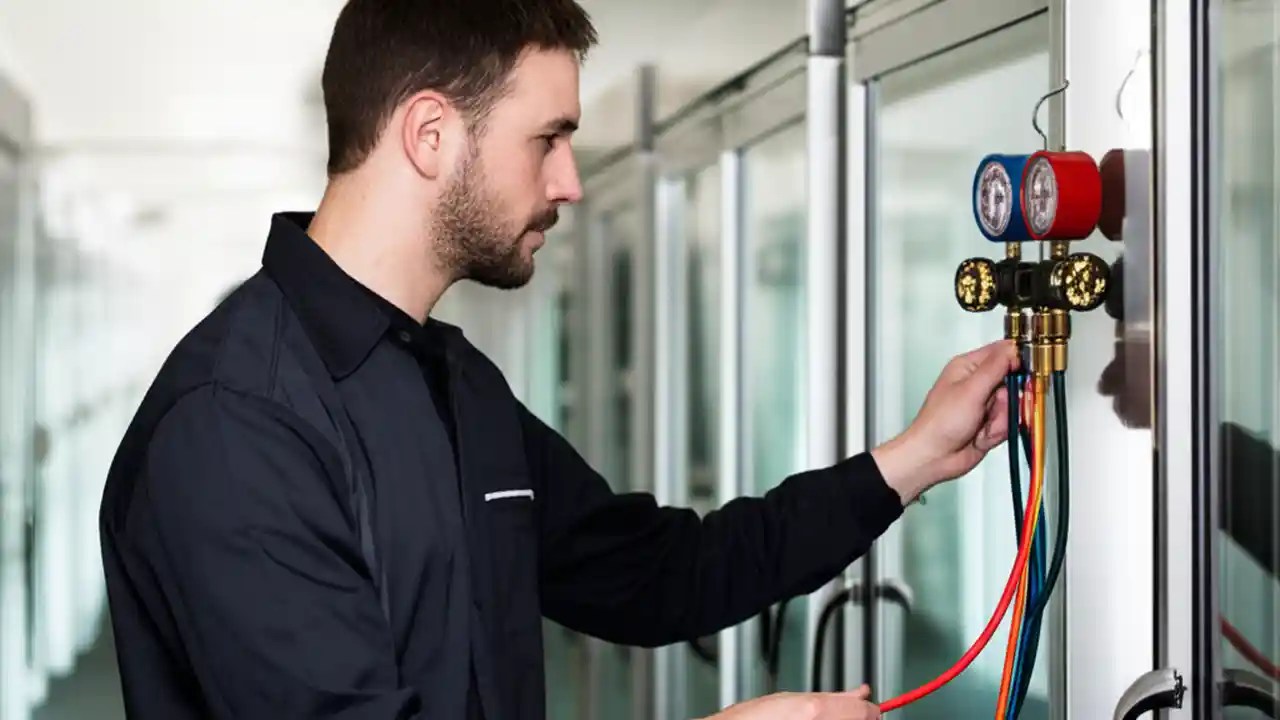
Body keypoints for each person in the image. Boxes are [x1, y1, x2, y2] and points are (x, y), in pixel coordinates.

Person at [97, 1, 1017, 719]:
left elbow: (664, 575)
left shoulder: (454, 382)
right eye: (548, 138)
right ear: (430, 135)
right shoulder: (234, 424)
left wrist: (913, 458)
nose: (570, 180)